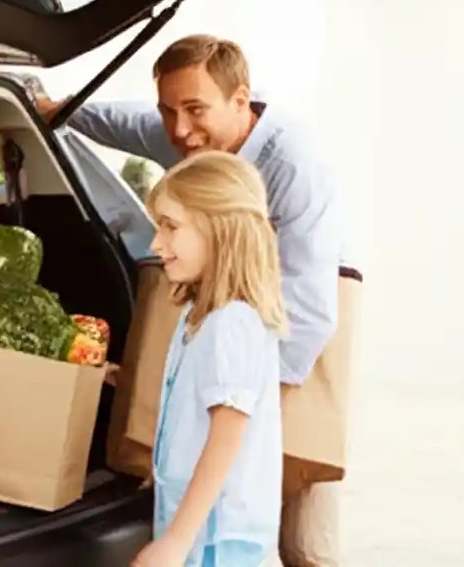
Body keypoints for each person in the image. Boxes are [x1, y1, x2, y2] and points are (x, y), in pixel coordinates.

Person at [37, 35, 344, 566]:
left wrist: (256, 405)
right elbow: (131, 125)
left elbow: (312, 314)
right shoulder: (205, 314)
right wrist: (60, 110)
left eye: (194, 110)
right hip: (205, 505)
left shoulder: (293, 166)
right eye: (168, 111)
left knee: (306, 544)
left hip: (294, 345)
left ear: (240, 101)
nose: (179, 130)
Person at [132, 150, 285, 567]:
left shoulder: (231, 324)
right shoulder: (202, 317)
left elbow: (226, 438)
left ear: (219, 230)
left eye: (170, 227)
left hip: (214, 538)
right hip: (199, 529)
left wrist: (176, 542)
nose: (156, 243)